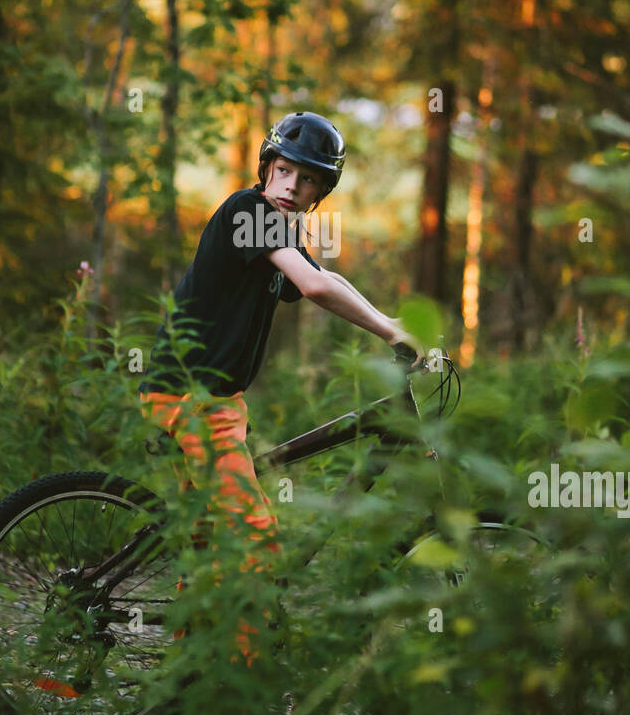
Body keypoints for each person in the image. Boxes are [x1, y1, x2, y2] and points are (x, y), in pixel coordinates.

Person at [138, 109, 423, 665]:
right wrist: (390, 329)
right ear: (267, 167)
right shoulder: (247, 211)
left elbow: (325, 276)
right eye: (286, 171)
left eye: (310, 178)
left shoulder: (278, 228)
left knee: (208, 540)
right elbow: (315, 287)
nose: (293, 186)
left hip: (217, 401)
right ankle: (242, 680)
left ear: (322, 189)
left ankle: (190, 670)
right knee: (253, 531)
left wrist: (394, 323)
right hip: (190, 398)